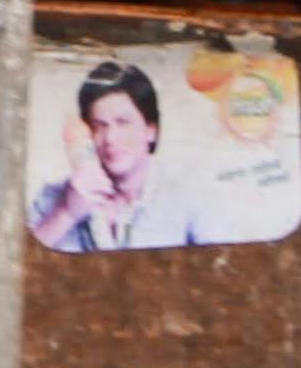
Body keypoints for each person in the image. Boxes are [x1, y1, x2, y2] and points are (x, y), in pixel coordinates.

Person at [29, 59, 204, 254]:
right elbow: (8, 271)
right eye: (100, 126)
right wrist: (66, 214)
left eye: (123, 122)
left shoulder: (189, 196)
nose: (110, 138)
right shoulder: (53, 197)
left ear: (151, 130)